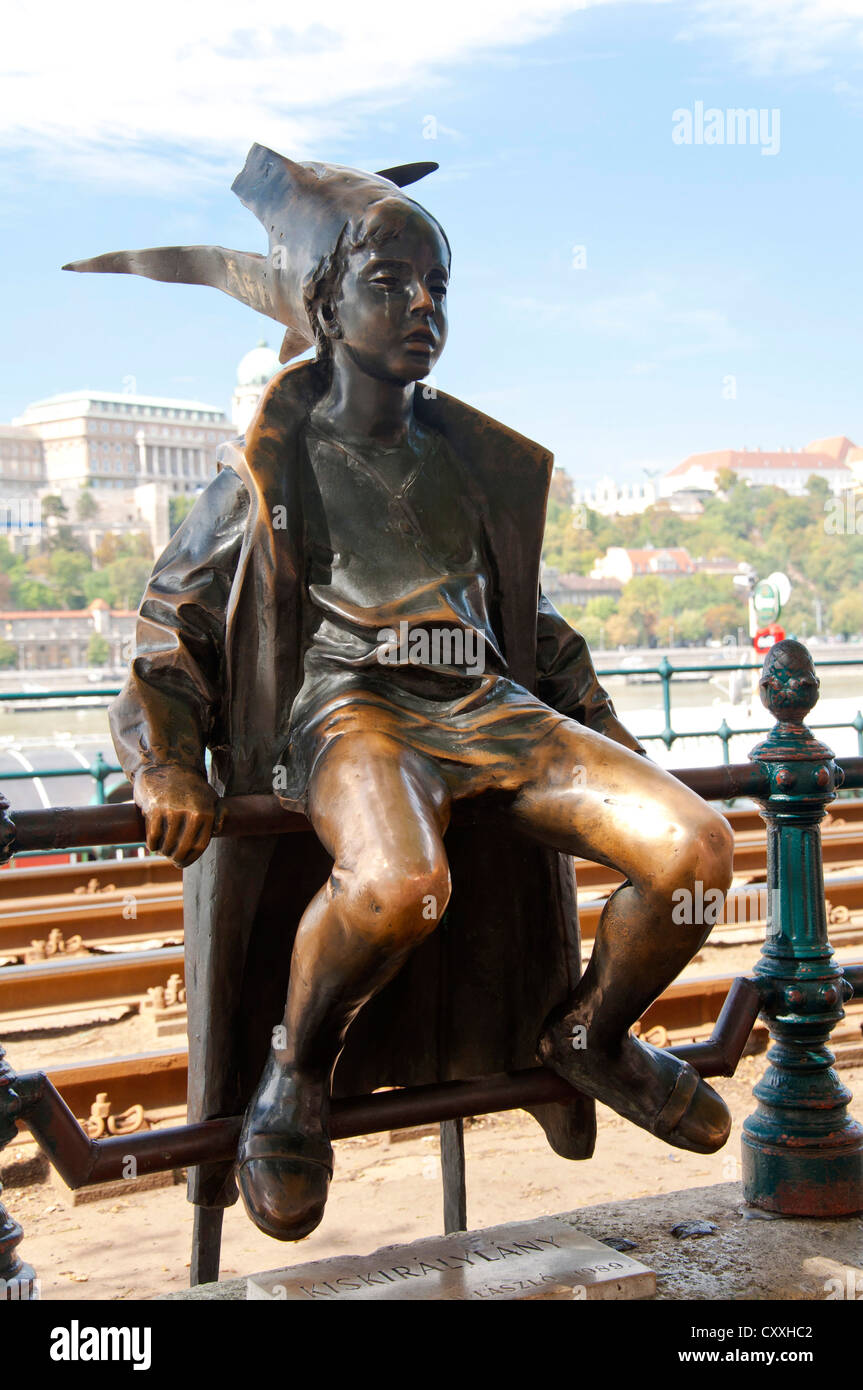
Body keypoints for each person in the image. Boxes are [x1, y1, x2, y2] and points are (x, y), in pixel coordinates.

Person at [66, 148, 734, 1241]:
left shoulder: (467, 462)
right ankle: (294, 1074)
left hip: (491, 708)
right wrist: (165, 758)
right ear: (326, 305)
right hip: (354, 714)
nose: (421, 307)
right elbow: (169, 628)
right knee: (396, 884)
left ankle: (589, 1037)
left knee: (698, 853)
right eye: (390, 283)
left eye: (436, 288)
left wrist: (604, 724)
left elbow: (525, 623)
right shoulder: (268, 468)